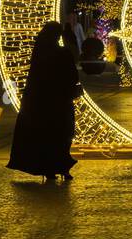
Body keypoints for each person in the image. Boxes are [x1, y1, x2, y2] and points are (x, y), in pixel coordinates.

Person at [8, 22, 82, 181]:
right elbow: (73, 76)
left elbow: (34, 80)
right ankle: (62, 167)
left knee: (46, 136)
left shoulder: (39, 54)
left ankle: (49, 169)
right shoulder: (63, 54)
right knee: (62, 135)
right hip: (60, 103)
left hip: (41, 105)